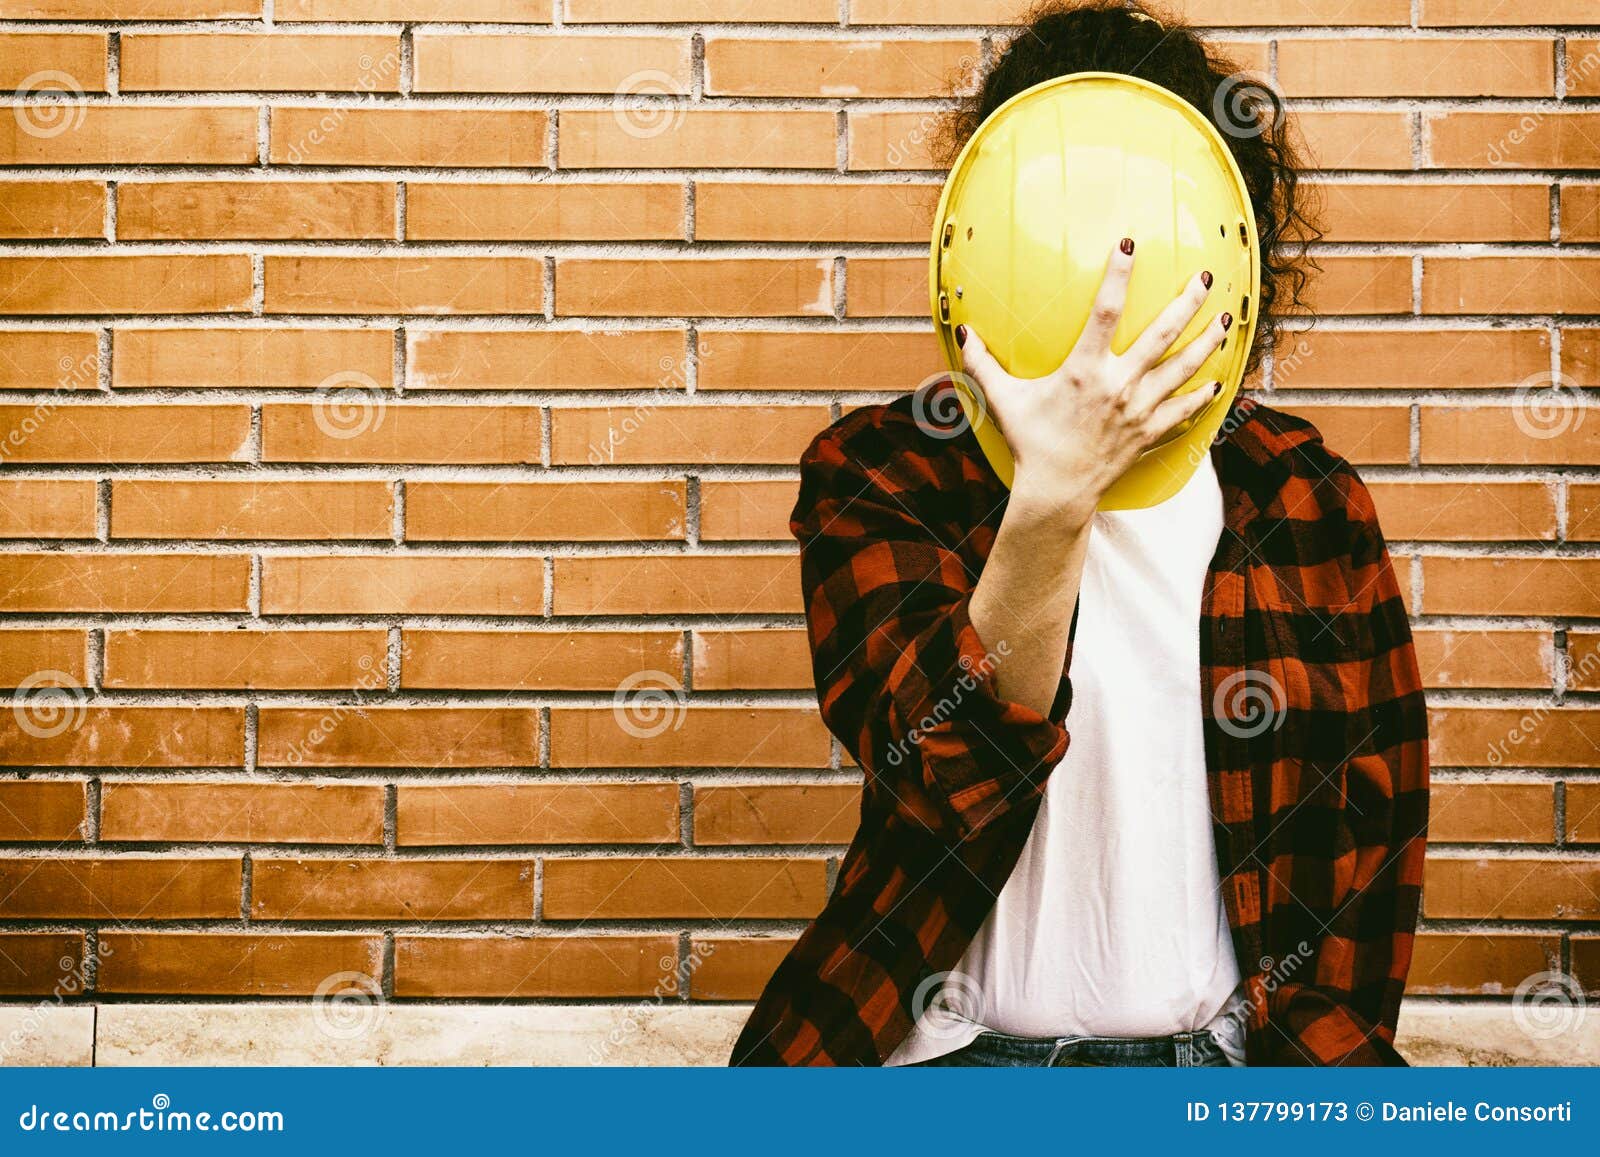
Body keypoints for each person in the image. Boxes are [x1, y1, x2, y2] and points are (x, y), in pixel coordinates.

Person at [730, 0, 1428, 1068]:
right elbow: (942, 770)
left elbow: (1373, 851)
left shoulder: (1307, 501)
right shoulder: (884, 473)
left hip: (1226, 1069)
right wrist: (1054, 494)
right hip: (950, 1061)